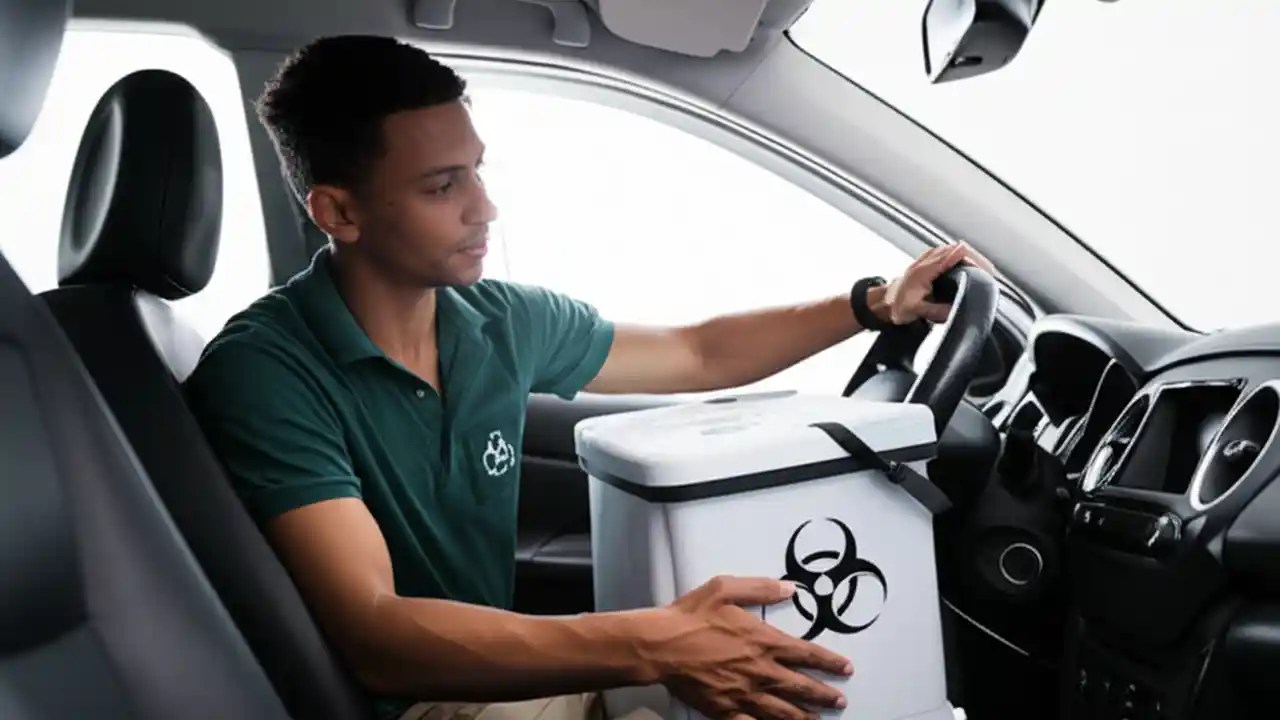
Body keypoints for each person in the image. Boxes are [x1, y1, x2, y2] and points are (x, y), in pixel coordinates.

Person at [183, 34, 993, 720]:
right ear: (339, 214)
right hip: (418, 702)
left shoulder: (497, 320)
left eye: (477, 170)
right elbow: (377, 635)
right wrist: (654, 641)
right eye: (442, 187)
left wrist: (874, 303)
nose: (484, 208)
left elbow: (697, 354)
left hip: (497, 678)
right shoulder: (267, 372)